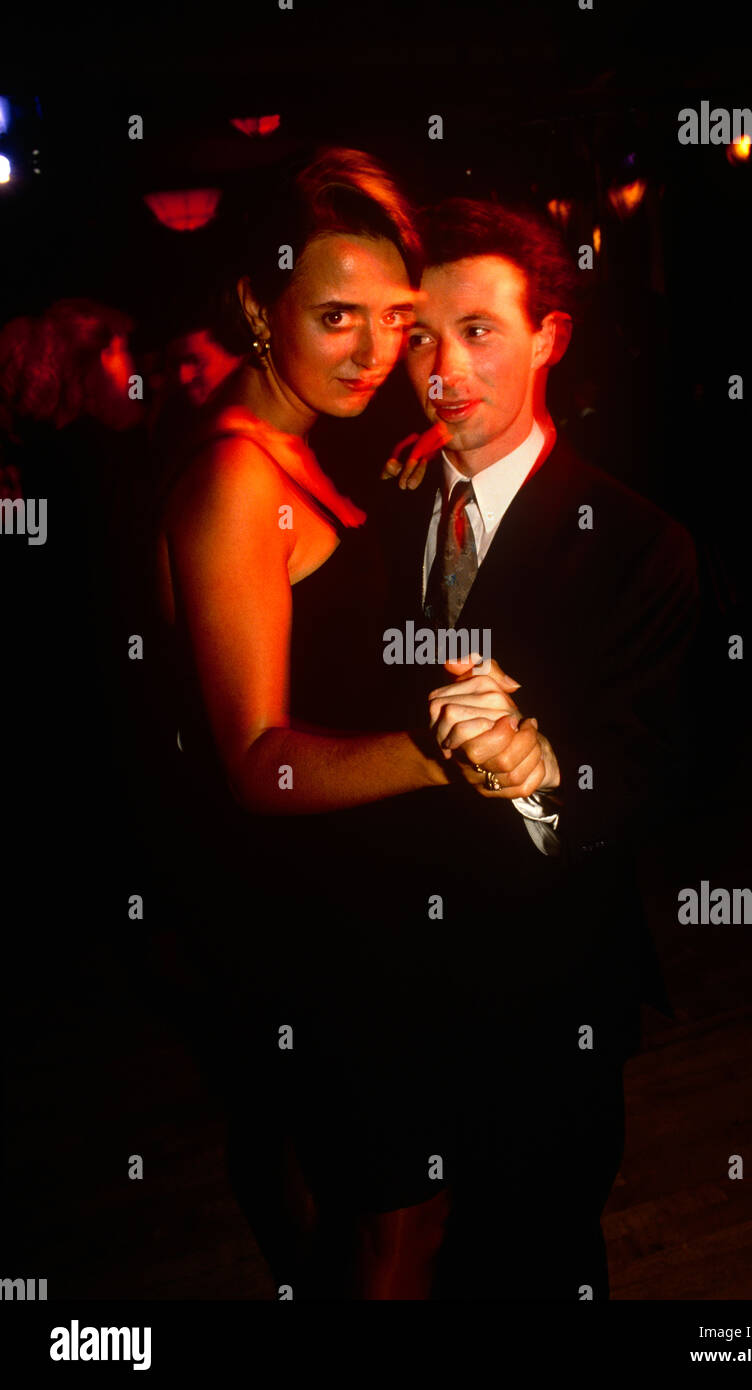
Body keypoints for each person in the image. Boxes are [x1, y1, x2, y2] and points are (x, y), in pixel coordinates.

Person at [150, 151, 542, 1299]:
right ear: (254, 307)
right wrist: (437, 753)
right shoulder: (233, 480)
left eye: (395, 320)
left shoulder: (290, 444)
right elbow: (254, 765)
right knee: (400, 1224)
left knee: (380, 1203)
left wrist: (402, 470)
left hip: (348, 900)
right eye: (335, 317)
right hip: (318, 921)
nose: (376, 355)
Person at [367, 197, 701, 1299]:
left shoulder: (638, 543)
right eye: (419, 334)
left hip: (548, 984)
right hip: (393, 971)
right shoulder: (384, 497)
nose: (441, 367)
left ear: (550, 334)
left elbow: (654, 768)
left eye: (478, 331)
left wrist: (545, 766)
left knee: (540, 1248)